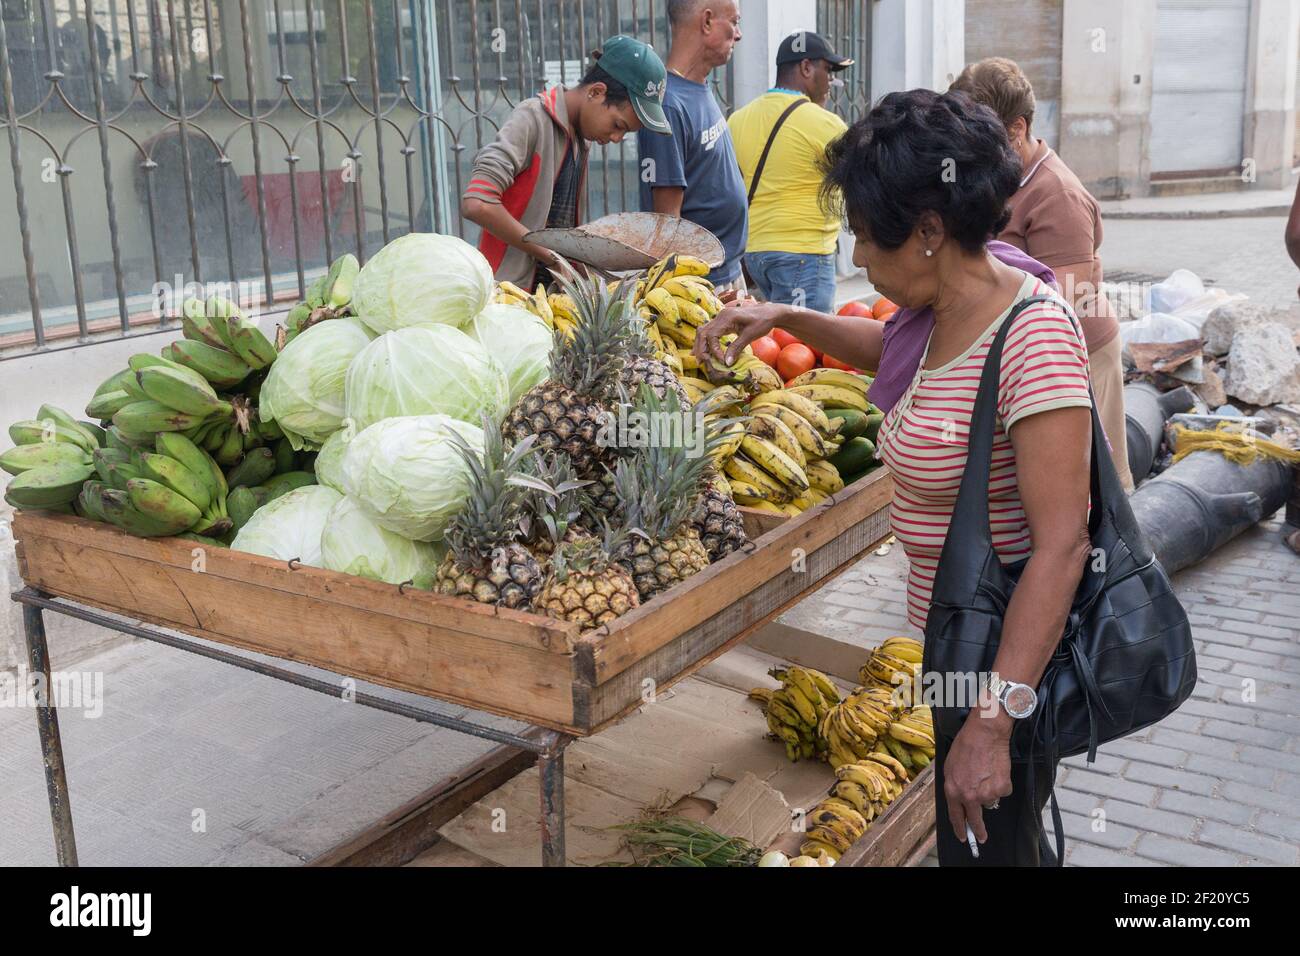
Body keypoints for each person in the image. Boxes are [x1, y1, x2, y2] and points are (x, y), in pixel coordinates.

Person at [695, 89, 1095, 866]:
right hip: (950, 639)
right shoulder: (943, 308)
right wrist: (785, 317)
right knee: (992, 847)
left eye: (866, 239)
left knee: (992, 849)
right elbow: (899, 355)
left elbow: (1063, 548)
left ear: (928, 232)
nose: (856, 259)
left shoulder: (1033, 333)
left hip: (1003, 655)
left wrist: (991, 722)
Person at [950, 58, 1132, 490]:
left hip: (1074, 360)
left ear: (1016, 128)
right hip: (1023, 360)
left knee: (1085, 491)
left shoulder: (1058, 194)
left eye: (981, 135)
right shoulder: (1000, 178)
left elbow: (1062, 306)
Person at [462, 35, 670, 288]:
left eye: (625, 134)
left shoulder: (582, 138)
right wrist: (549, 255)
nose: (617, 138)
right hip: (506, 292)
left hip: (547, 296)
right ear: (596, 92)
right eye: (618, 125)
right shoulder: (532, 119)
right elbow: (478, 204)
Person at [727, 31, 851, 314]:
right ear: (806, 67)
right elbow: (862, 182)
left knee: (777, 348)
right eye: (828, 70)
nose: (831, 81)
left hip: (755, 255)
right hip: (804, 256)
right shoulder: (825, 124)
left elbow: (730, 186)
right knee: (807, 349)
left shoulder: (737, 119)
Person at [637, 0, 748, 291]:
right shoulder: (669, 105)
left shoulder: (698, 88)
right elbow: (665, 224)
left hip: (727, 274)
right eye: (734, 22)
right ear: (707, 22)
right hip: (702, 287)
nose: (738, 34)